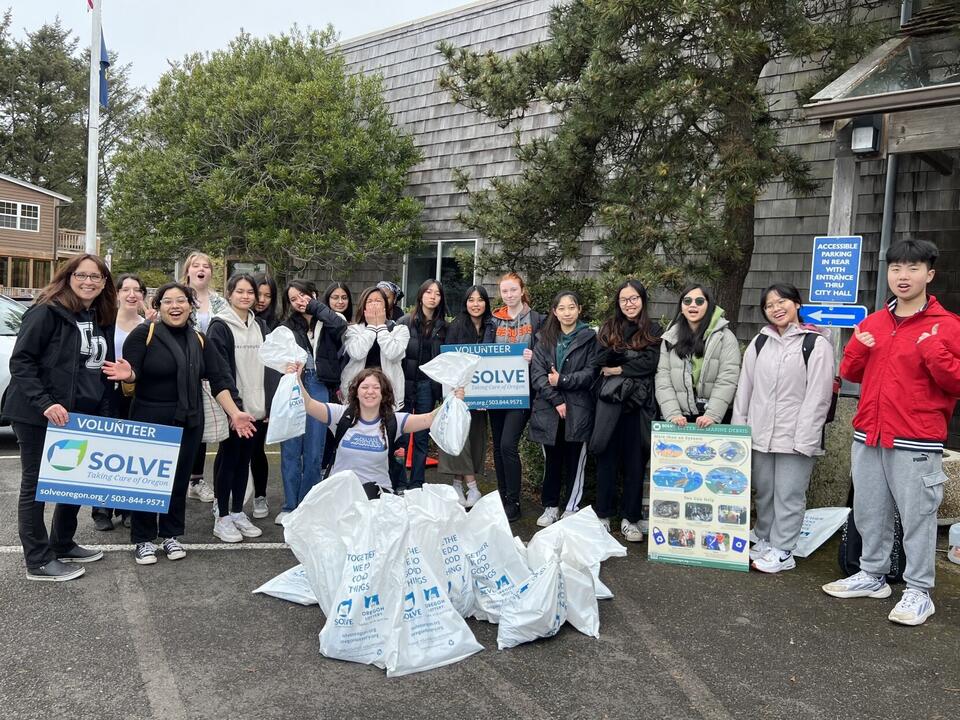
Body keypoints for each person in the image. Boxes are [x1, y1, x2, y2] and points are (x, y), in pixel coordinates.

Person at [822, 239, 960, 625]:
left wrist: (936, 353)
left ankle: (919, 590)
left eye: (913, 268)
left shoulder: (947, 326)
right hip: (869, 433)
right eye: (896, 268)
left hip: (916, 437)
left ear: (929, 275)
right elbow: (850, 373)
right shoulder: (874, 322)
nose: (903, 275)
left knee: (918, 516)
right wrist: (857, 349)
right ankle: (872, 575)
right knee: (869, 511)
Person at [103, 282, 256, 564]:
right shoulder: (143, 334)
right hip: (150, 418)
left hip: (188, 419)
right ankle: (144, 539)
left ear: (190, 305)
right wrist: (129, 375)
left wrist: (235, 413)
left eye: (181, 301)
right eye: (168, 301)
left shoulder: (199, 339)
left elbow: (220, 379)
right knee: (148, 481)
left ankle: (171, 534)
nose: (175, 306)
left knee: (178, 480)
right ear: (158, 307)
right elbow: (133, 370)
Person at [4, 254, 116, 581]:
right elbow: (21, 363)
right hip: (39, 414)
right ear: (68, 277)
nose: (89, 282)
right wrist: (45, 403)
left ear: (104, 282)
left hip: (79, 414)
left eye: (96, 277)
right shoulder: (45, 311)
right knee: (37, 486)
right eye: (82, 275)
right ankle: (38, 561)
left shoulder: (97, 315)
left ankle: (62, 543)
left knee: (73, 484)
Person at [731, 282, 834, 574]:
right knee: (764, 491)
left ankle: (784, 549)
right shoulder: (760, 342)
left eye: (782, 302)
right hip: (760, 432)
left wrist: (806, 438)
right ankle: (764, 537)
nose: (776, 308)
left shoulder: (815, 343)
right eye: (769, 305)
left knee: (788, 493)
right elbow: (745, 389)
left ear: (797, 304)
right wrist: (741, 430)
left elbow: (819, 396)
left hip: (795, 435)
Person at [297, 366, 464, 499]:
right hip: (340, 496)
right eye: (365, 387)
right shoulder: (340, 415)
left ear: (383, 393)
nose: (370, 391)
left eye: (376, 387)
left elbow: (429, 418)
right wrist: (296, 379)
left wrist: (453, 399)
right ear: (356, 391)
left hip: (377, 498)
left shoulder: (394, 421)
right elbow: (309, 405)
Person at [592, 279, 660, 541]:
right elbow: (599, 359)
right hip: (610, 404)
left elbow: (651, 363)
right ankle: (603, 514)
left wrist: (619, 365)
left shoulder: (653, 329)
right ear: (618, 303)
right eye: (624, 300)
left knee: (634, 463)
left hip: (637, 406)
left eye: (634, 298)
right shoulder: (610, 327)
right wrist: (631, 357)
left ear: (642, 300)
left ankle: (630, 518)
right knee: (606, 460)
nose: (629, 304)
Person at [207, 273, 273, 543]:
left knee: (245, 461)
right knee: (229, 460)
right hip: (234, 409)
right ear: (230, 294)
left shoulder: (261, 327)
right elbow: (219, 371)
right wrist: (234, 409)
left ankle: (236, 512)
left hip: (256, 409)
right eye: (240, 291)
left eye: (250, 292)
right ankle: (221, 517)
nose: (246, 296)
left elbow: (270, 366)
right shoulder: (220, 327)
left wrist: (267, 404)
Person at [275, 279, 347, 524]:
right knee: (291, 448)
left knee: (315, 450)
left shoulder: (328, 321)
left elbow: (340, 327)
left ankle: (307, 504)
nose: (299, 302)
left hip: (319, 384)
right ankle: (289, 505)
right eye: (294, 299)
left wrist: (316, 307)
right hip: (294, 383)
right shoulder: (286, 326)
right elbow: (274, 354)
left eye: (303, 296)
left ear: (314, 295)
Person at [529, 291, 598, 526]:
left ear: (579, 309)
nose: (567, 312)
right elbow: (537, 376)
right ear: (554, 311)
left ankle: (571, 507)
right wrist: (556, 399)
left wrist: (563, 381)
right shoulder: (543, 339)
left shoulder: (589, 338)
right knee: (552, 462)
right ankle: (550, 506)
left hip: (578, 409)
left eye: (571, 307)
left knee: (575, 461)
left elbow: (591, 374)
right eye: (562, 308)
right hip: (549, 410)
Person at [92, 273, 148, 532]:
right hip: (106, 393)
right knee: (106, 451)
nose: (132, 294)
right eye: (126, 289)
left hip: (137, 395)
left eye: (137, 290)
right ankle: (101, 509)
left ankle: (127, 508)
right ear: (116, 294)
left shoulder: (147, 326)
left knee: (131, 451)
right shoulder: (103, 322)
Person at [489, 272, 544, 522]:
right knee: (499, 448)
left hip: (522, 392)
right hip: (495, 391)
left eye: (513, 290)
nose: (509, 295)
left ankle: (514, 499)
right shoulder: (494, 320)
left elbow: (544, 353)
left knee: (508, 445)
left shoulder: (537, 320)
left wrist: (534, 357)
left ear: (522, 290)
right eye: (504, 291)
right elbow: (485, 352)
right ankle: (503, 498)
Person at [437, 285, 495, 507]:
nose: (476, 304)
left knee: (474, 440)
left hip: (483, 394)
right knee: (458, 438)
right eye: (471, 300)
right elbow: (450, 362)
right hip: (459, 393)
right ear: (465, 302)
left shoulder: (492, 326)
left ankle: (456, 485)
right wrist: (454, 391)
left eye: (480, 300)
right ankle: (472, 486)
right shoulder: (457, 326)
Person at [655, 284, 741, 427]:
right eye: (687, 301)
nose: (692, 305)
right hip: (679, 420)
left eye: (699, 301)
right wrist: (673, 414)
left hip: (712, 419)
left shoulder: (724, 337)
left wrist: (712, 415)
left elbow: (728, 378)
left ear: (709, 306)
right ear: (681, 307)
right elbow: (663, 377)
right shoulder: (670, 336)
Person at [181, 251, 226, 503]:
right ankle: (175, 479)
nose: (201, 269)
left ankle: (196, 480)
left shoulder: (220, 302)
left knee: (204, 425)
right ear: (187, 270)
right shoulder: (177, 296)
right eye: (196, 265)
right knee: (181, 425)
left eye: (206, 266)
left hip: (210, 370)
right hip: (181, 370)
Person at [398, 279, 448, 490]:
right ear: (420, 295)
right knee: (401, 435)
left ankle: (417, 482)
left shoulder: (444, 327)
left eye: (437, 293)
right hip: (405, 384)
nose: (432, 296)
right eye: (428, 292)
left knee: (421, 436)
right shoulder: (403, 322)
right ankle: (399, 481)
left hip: (428, 386)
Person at [342, 286, 410, 411]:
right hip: (357, 390)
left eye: (378, 301)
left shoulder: (400, 330)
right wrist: (372, 327)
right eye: (370, 301)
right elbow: (357, 353)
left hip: (388, 391)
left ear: (386, 306)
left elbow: (393, 354)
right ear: (364, 306)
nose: (374, 305)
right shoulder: (353, 330)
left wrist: (381, 327)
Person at [249, 273, 280, 519]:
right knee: (234, 452)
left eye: (268, 296)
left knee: (257, 450)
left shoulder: (277, 325)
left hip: (263, 398)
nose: (262, 300)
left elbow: (275, 369)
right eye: (258, 294)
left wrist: (271, 405)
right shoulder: (235, 322)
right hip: (240, 395)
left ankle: (260, 495)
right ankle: (226, 502)